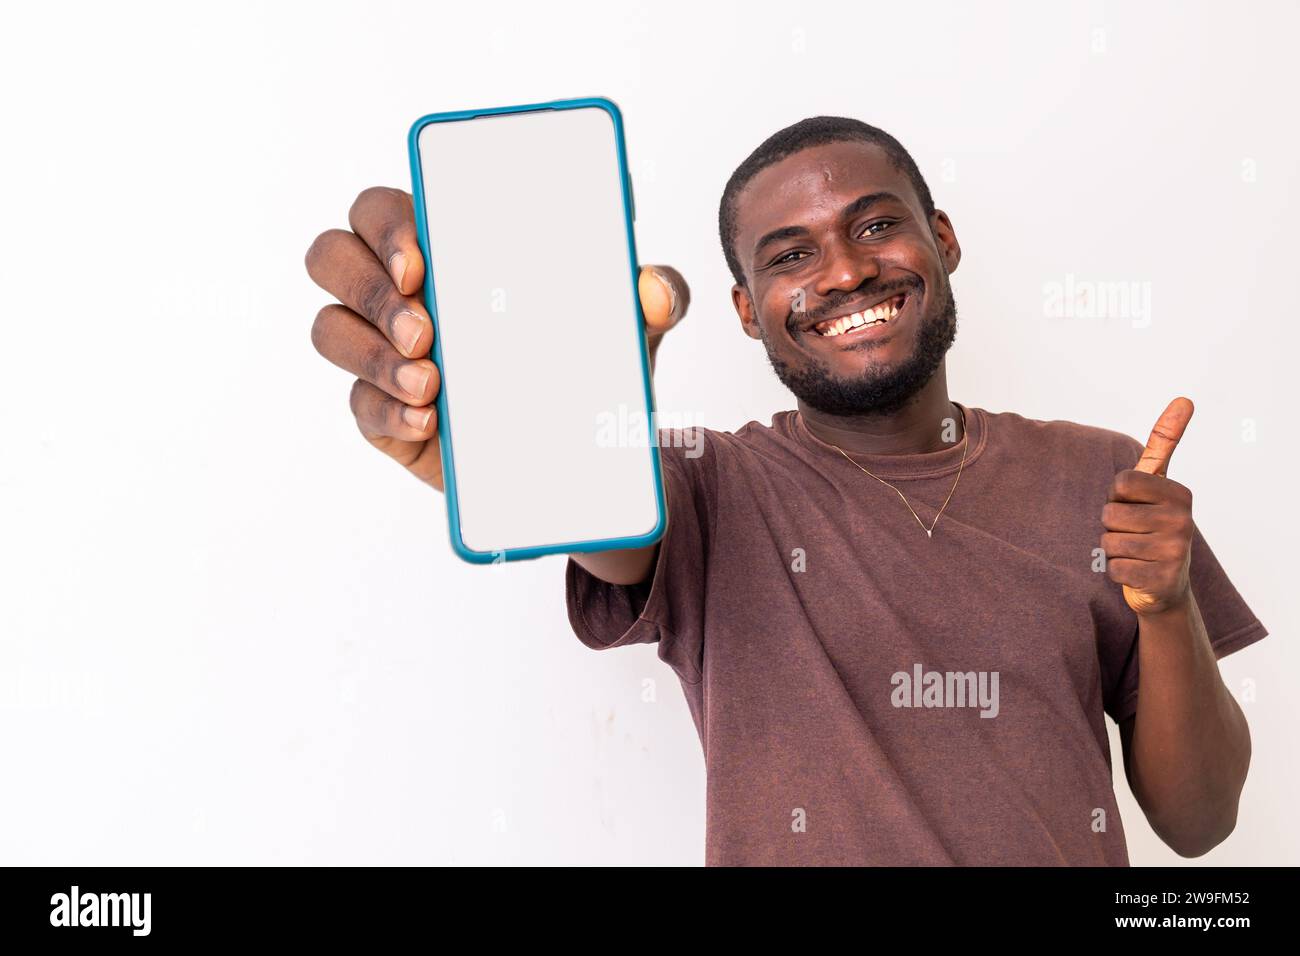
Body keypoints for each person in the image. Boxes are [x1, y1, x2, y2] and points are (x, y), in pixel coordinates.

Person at [305, 116, 1268, 866]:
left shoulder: (1098, 476)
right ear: (744, 311)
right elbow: (601, 518)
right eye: (790, 255)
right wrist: (523, 424)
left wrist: (1169, 605)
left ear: (942, 240)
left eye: (877, 226)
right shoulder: (707, 487)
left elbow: (1201, 822)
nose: (846, 271)